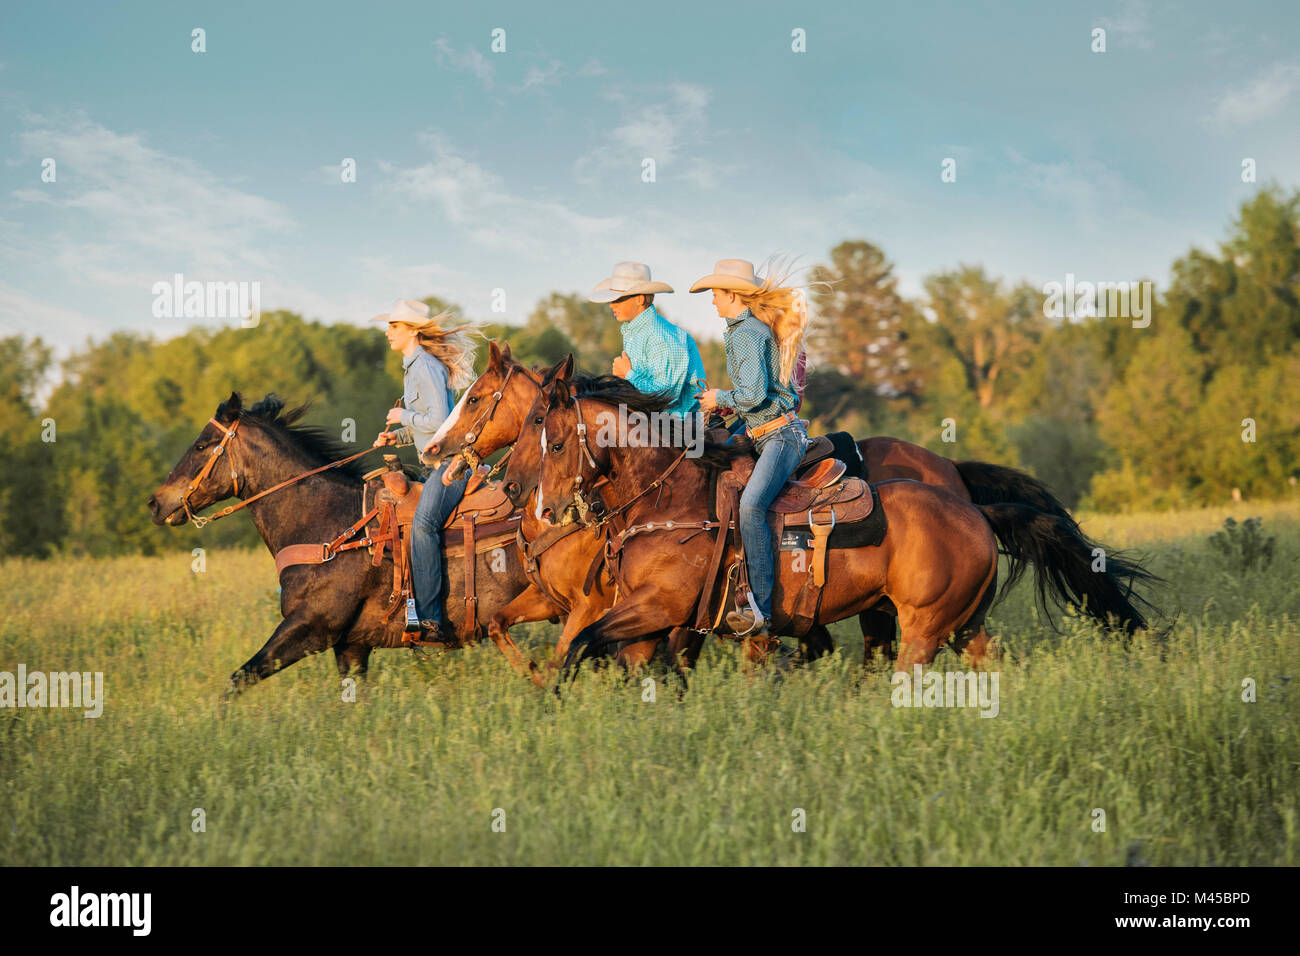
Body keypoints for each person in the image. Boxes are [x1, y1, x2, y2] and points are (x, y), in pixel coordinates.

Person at [692, 260, 811, 645]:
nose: (711, 301)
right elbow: (758, 397)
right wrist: (724, 405)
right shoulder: (744, 331)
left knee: (751, 507)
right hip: (766, 433)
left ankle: (759, 607)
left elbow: (756, 396)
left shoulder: (746, 333)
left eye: (715, 294)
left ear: (732, 295)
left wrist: (719, 398)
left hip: (779, 436)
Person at [370, 298, 479, 643]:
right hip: (434, 460)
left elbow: (441, 420)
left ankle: (431, 621)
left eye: (395, 326)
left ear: (413, 331)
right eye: (389, 325)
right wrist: (397, 436)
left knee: (424, 525)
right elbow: (426, 428)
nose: (388, 332)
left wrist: (404, 417)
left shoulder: (425, 366)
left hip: (450, 465)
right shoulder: (414, 366)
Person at [588, 261, 708, 417]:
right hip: (650, 420)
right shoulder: (638, 333)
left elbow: (664, 398)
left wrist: (627, 373)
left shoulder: (660, 337)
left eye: (618, 299)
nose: (611, 305)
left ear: (639, 299)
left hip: (673, 425)